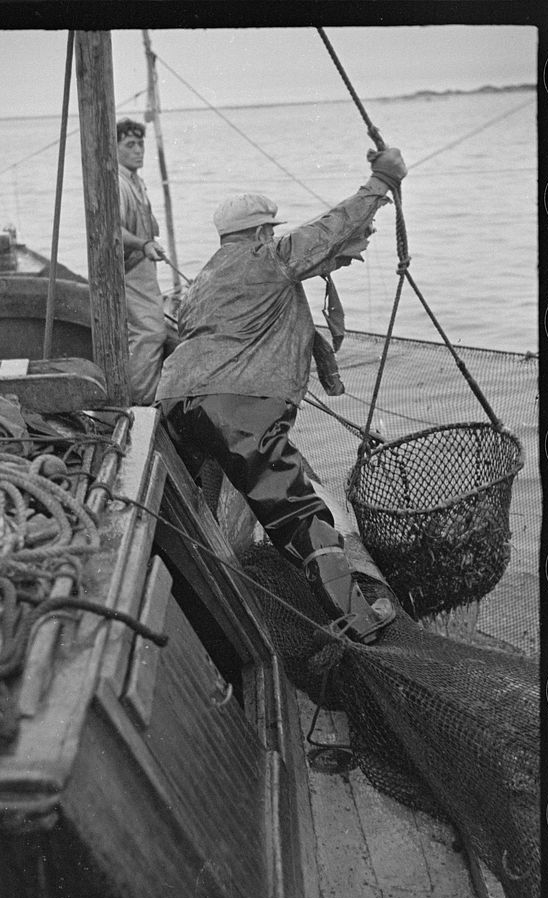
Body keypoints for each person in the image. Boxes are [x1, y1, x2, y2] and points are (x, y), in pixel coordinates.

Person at [156, 146, 408, 644]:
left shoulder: (205, 278)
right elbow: (327, 230)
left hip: (178, 404)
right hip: (238, 408)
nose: (273, 237)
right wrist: (380, 183)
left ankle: (190, 610)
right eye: (270, 231)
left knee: (189, 507)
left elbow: (323, 252)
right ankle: (358, 621)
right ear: (260, 233)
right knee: (298, 511)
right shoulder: (267, 259)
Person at [117, 117, 169, 406]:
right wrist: (143, 243)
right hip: (131, 271)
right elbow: (113, 230)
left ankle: (144, 398)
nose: (139, 150)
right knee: (150, 332)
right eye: (130, 145)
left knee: (151, 329)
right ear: (113, 148)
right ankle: (142, 404)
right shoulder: (118, 183)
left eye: (141, 144)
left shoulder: (135, 180)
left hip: (144, 270)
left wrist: (151, 234)